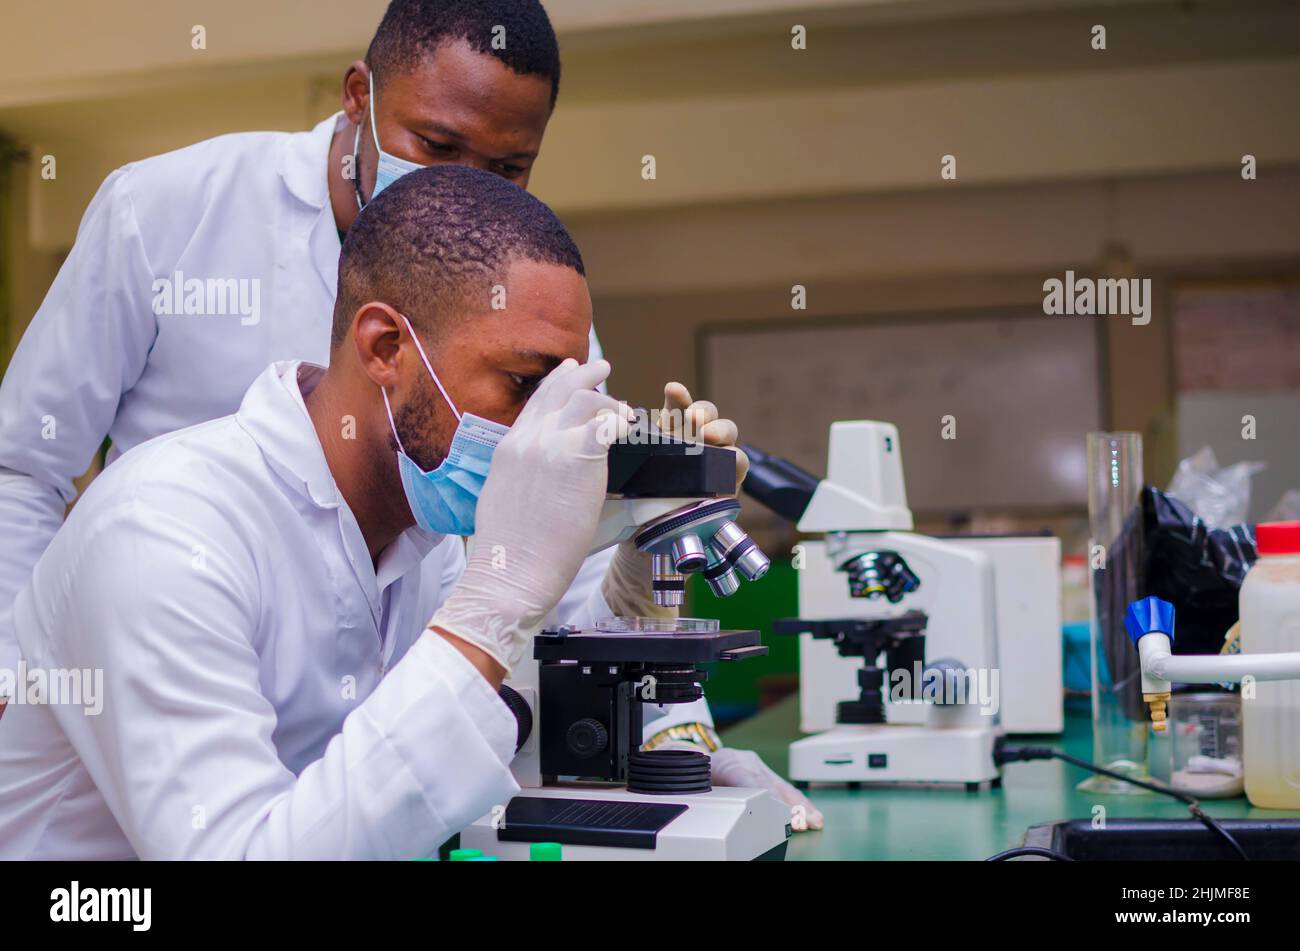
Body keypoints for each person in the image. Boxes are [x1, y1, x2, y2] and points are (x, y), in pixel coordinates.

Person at [0, 0, 604, 710]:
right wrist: (17, 670)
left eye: (506, 167)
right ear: (360, 97)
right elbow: (22, 465)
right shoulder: (167, 211)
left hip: (373, 716)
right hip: (166, 673)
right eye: (439, 147)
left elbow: (563, 529)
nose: (462, 188)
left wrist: (672, 725)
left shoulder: (525, 295)